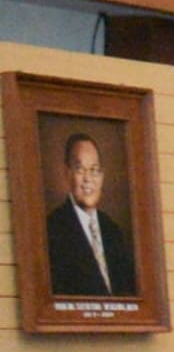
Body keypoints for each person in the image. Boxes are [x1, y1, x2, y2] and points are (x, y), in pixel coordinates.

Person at [43, 124, 136, 297]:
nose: (88, 179)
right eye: (80, 169)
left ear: (102, 176)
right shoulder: (52, 229)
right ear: (67, 172)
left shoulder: (113, 231)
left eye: (94, 170)